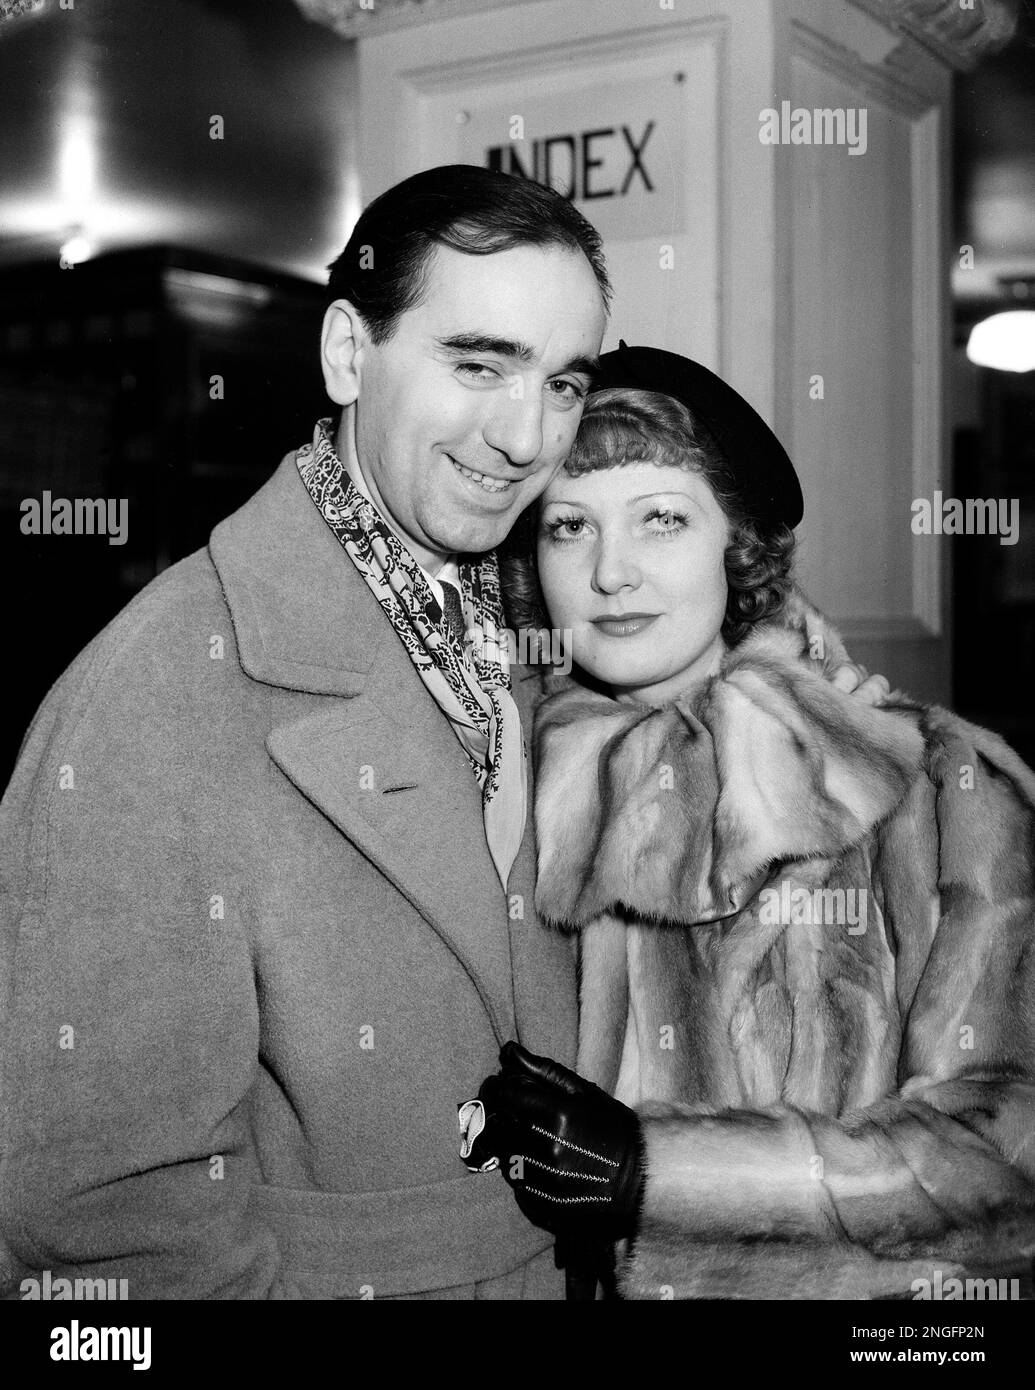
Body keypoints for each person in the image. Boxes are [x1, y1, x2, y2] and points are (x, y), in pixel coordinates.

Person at [0, 169, 881, 1302]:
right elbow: (103, 1215)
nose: (523, 436)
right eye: (478, 363)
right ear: (348, 357)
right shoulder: (160, 688)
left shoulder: (526, 606)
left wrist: (808, 683)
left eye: (562, 382)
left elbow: (704, 615)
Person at [476, 344, 1035, 1300]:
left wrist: (659, 1177)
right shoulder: (504, 783)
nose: (612, 573)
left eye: (661, 519)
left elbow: (1006, 1153)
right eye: (568, 527)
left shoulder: (940, 791)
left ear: (736, 545)